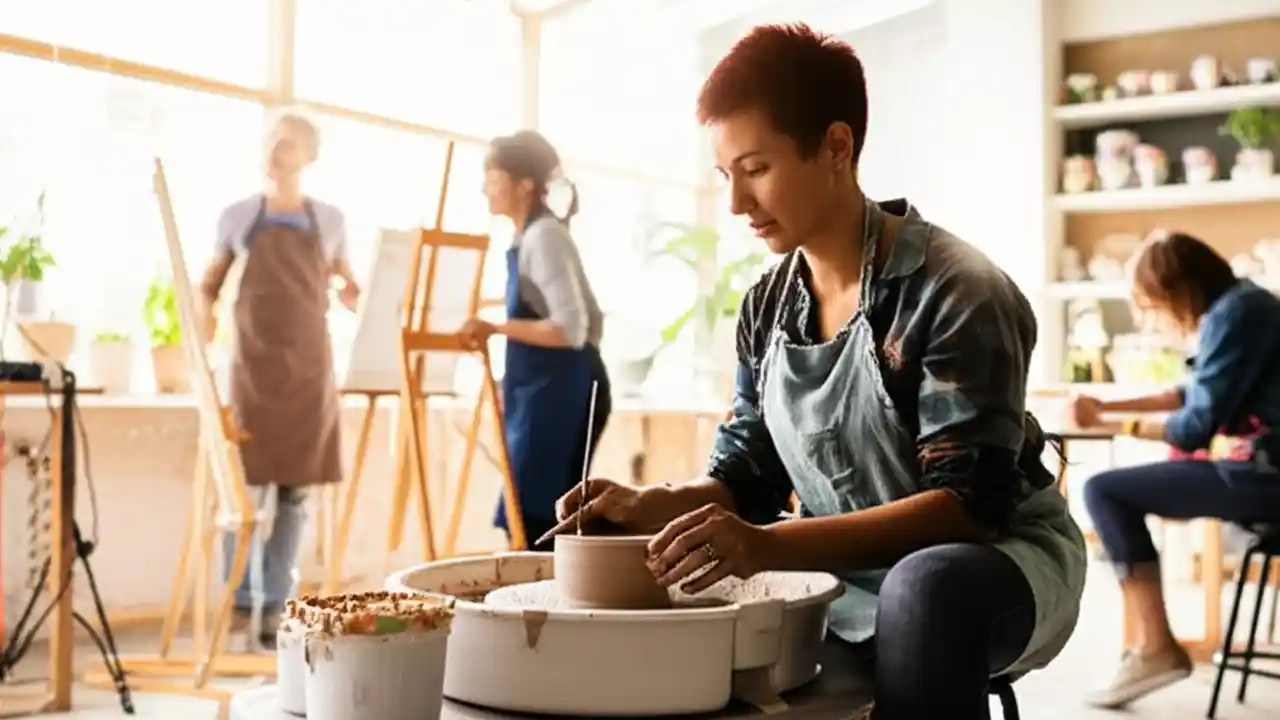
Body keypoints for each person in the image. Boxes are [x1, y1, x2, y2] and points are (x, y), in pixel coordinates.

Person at [556, 24, 1086, 719]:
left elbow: (968, 508)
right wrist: (646, 504)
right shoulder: (766, 308)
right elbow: (747, 478)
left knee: (924, 591)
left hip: (992, 563)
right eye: (725, 176)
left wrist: (766, 545)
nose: (737, 203)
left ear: (837, 146)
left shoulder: (957, 289)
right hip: (839, 565)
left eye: (755, 169)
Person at [1072, 230, 1280, 709]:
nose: (1156, 319)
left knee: (1105, 492)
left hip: (1267, 477)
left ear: (1178, 290)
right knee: (1109, 490)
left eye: (1153, 306)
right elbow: (1191, 393)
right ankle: (1153, 646)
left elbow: (1193, 429)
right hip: (1265, 470)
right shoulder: (1243, 306)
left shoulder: (1236, 314)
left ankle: (1155, 647)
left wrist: (1119, 424)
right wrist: (1104, 406)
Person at [199, 109, 359, 647]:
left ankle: (273, 607)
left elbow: (350, 288)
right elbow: (208, 289)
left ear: (308, 156)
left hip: (309, 371)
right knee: (242, 490)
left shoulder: (330, 221)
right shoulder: (239, 216)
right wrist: (200, 338)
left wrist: (379, 301)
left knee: (293, 495)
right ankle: (240, 602)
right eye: (271, 141)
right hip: (252, 370)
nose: (275, 152)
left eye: (287, 143)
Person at [460, 130, 611, 551]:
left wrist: (494, 327)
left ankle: (549, 593)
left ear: (524, 184)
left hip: (567, 390)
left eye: (493, 178)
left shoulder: (545, 237)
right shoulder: (523, 237)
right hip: (539, 392)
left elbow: (570, 329)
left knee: (541, 518)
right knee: (520, 512)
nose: (485, 188)